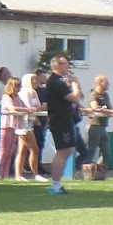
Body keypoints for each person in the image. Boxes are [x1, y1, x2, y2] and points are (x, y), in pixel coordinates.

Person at [42, 54, 82, 195]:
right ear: (57, 66)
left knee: (68, 149)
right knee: (63, 151)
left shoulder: (59, 81)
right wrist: (76, 83)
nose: (68, 66)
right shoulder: (56, 82)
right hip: (60, 121)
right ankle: (55, 185)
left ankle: (57, 184)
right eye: (65, 63)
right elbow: (75, 97)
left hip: (65, 120)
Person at [81, 76, 113, 167]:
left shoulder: (105, 95)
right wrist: (111, 111)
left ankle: (98, 170)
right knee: (91, 151)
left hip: (103, 127)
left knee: (106, 152)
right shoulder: (94, 95)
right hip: (95, 126)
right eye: (106, 82)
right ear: (100, 83)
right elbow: (95, 107)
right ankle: (82, 170)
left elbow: (110, 108)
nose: (108, 84)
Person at [15, 73, 44, 181]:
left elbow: (38, 106)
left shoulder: (34, 92)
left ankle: (19, 175)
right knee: (35, 149)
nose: (36, 82)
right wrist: (36, 108)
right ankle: (35, 174)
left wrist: (36, 108)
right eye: (33, 80)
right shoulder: (24, 92)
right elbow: (29, 107)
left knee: (23, 150)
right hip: (24, 123)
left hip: (31, 122)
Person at [0, 77, 25, 180]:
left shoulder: (17, 97)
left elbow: (22, 105)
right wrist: (27, 110)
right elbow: (12, 109)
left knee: (10, 152)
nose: (20, 87)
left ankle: (5, 174)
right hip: (6, 126)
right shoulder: (6, 97)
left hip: (14, 126)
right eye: (18, 85)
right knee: (3, 151)